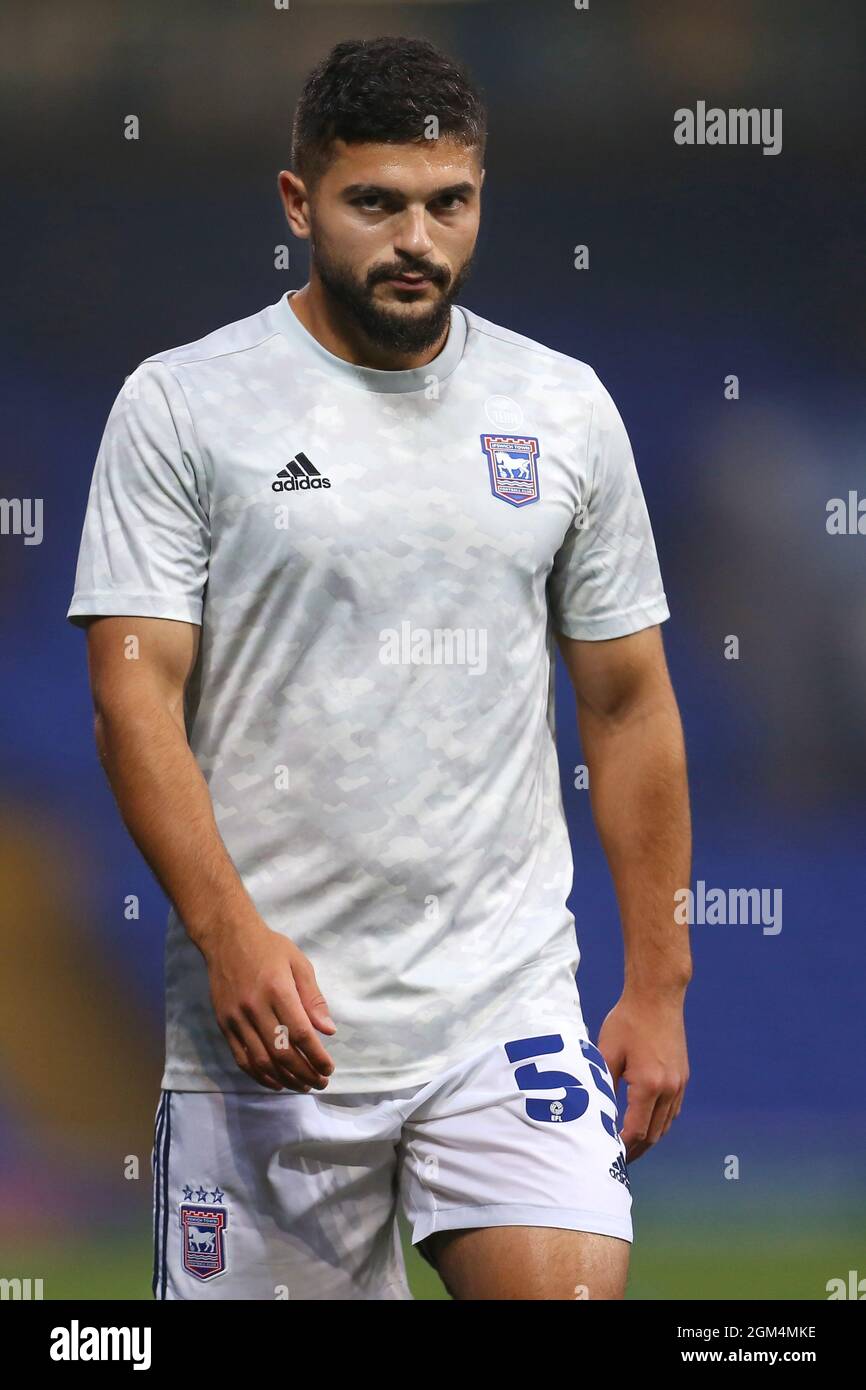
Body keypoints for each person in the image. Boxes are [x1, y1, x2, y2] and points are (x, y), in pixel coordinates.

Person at [67, 35, 692, 1301]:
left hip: (501, 1007)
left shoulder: (559, 408)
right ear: (300, 203)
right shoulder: (183, 406)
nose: (416, 238)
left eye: (446, 202)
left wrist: (658, 982)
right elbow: (134, 698)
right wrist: (229, 938)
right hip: (272, 1030)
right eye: (376, 203)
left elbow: (626, 701)